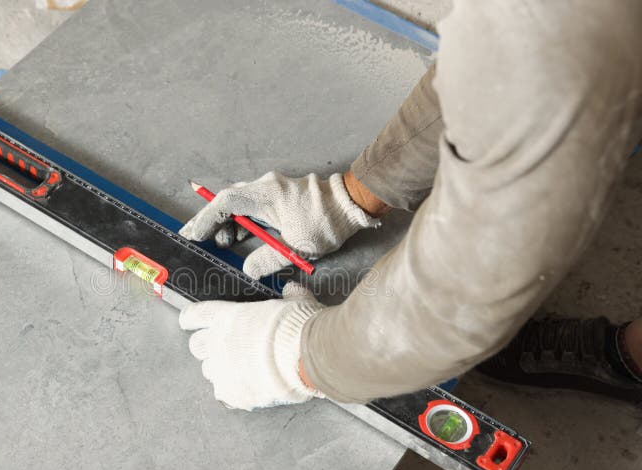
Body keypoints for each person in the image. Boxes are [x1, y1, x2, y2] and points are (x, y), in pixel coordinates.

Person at [177, 1, 642, 411]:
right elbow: (500, 55)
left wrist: (302, 359)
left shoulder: (590, 28)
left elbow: (482, 275)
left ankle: (630, 359)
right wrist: (349, 199)